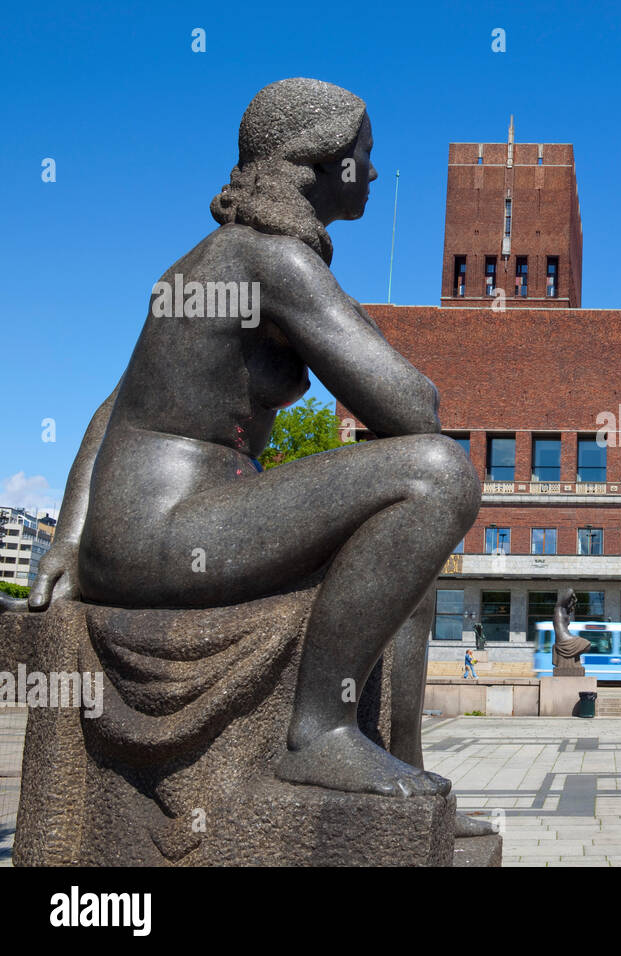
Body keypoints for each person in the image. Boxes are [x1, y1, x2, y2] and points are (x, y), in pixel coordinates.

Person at [24, 78, 480, 797]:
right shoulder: (270, 261)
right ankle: (318, 732)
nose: (375, 172)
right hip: (166, 530)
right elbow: (415, 410)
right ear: (320, 158)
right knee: (436, 474)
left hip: (138, 531)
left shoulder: (211, 261)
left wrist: (73, 541)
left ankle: (410, 781)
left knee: (406, 563)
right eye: (365, 154)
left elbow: (113, 409)